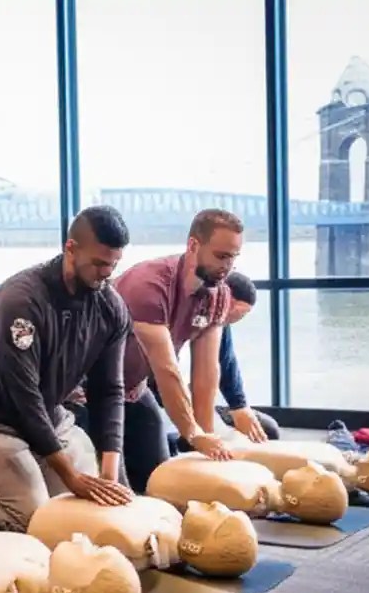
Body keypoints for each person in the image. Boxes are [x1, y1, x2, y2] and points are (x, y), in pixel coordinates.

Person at [0, 207, 136, 532]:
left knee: (82, 514)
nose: (107, 274)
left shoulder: (110, 307)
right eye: (99, 264)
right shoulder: (21, 301)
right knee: (35, 521)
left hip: (50, 415)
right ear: (71, 249)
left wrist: (108, 472)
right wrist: (71, 476)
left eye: (114, 264)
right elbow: (24, 396)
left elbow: (108, 391)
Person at [114, 209, 243, 492]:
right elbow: (166, 369)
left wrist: (207, 440)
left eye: (234, 257)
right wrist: (192, 433)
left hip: (133, 390)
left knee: (160, 482)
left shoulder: (219, 294)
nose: (227, 267)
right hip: (89, 393)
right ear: (193, 245)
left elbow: (207, 372)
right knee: (117, 488)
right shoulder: (148, 285)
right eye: (221, 256)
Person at [209, 271, 280, 443]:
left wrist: (239, 407)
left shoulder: (221, 321)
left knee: (268, 429)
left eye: (242, 313)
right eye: (234, 309)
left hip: (200, 401)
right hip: (170, 400)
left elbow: (226, 362)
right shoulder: (195, 312)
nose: (235, 317)